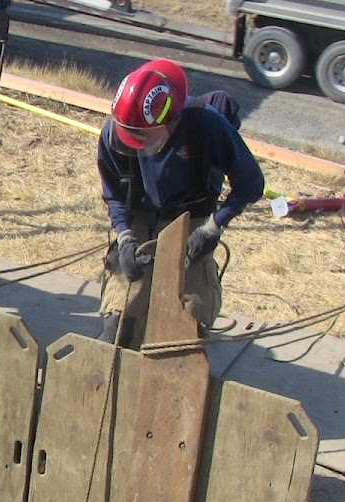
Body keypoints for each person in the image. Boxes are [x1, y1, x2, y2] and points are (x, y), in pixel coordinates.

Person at [96, 64, 264, 348]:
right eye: (131, 136)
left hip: (192, 214)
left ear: (172, 122)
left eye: (144, 137)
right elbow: (113, 193)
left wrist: (213, 227)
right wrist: (124, 234)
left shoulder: (207, 126)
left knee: (187, 320)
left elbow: (251, 184)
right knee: (122, 316)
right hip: (141, 212)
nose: (137, 145)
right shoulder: (114, 134)